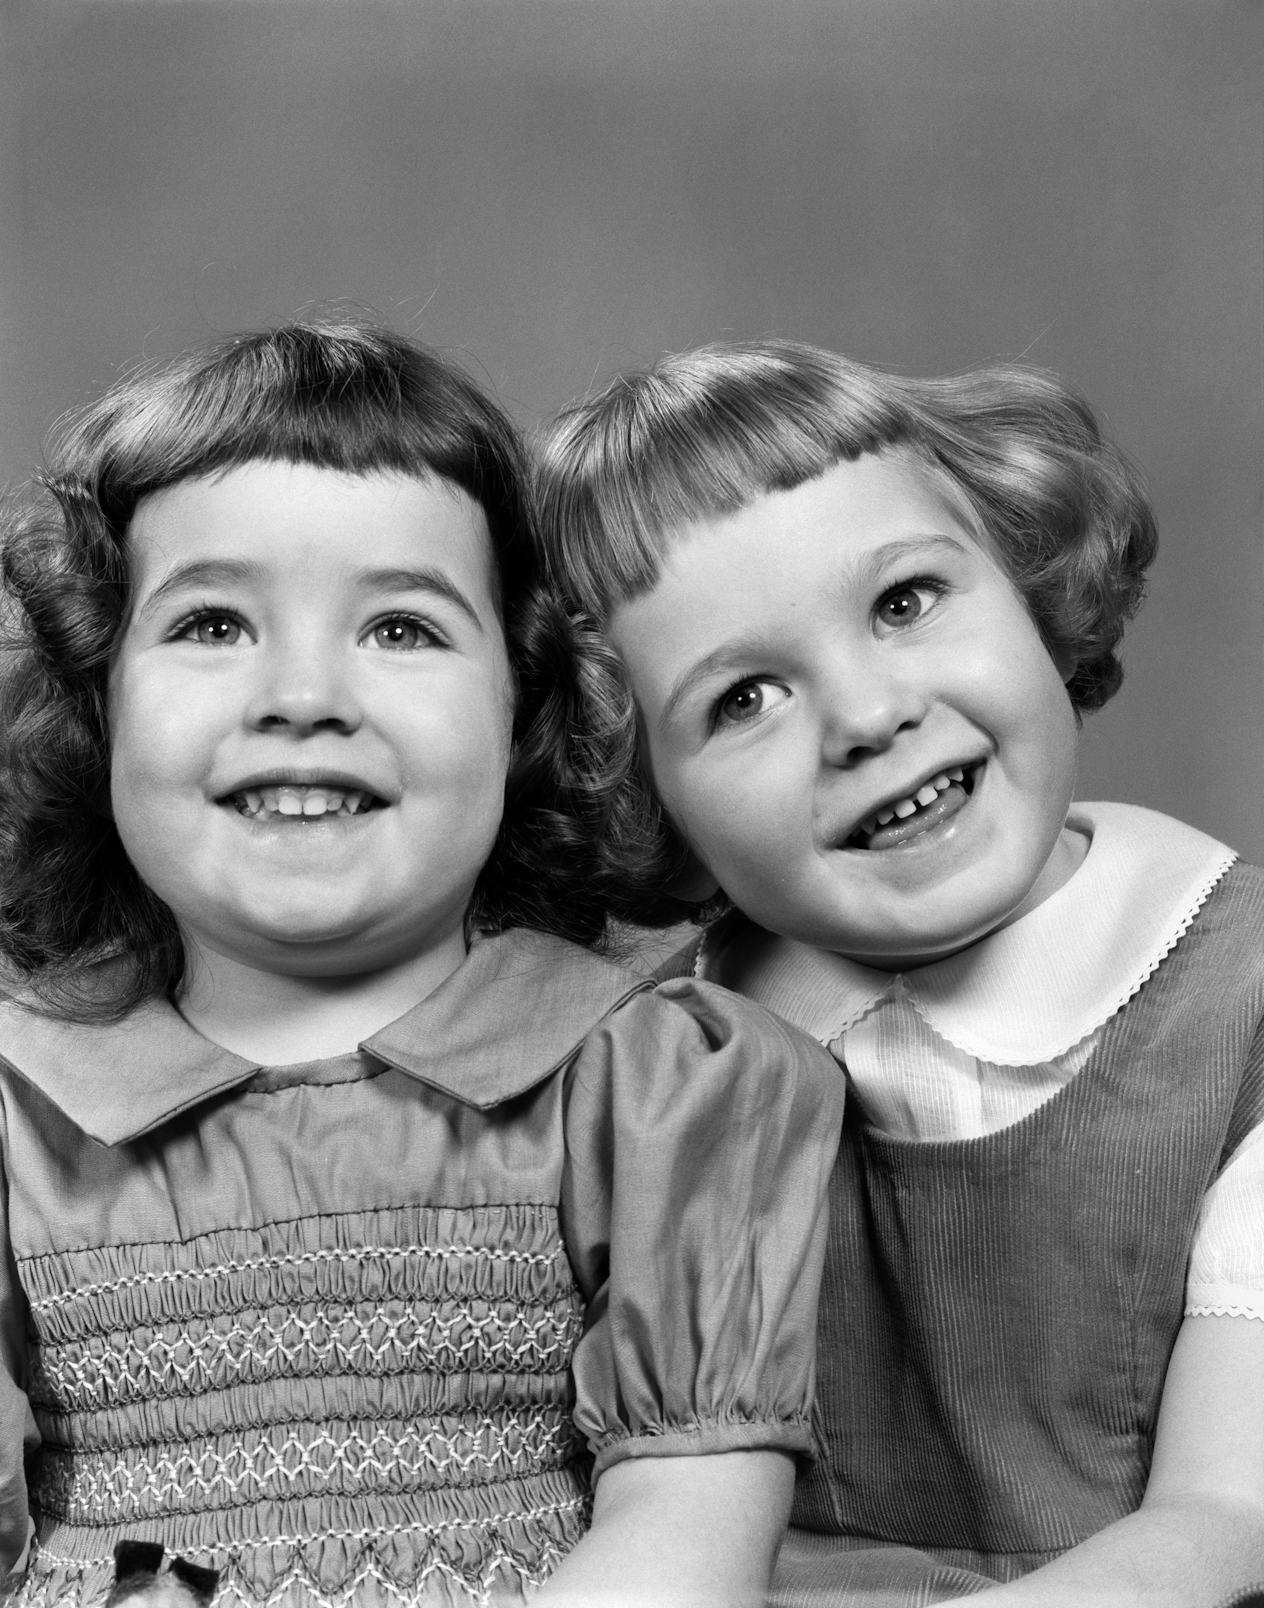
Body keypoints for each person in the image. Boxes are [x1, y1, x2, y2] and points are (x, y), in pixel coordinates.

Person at [0, 321, 842, 1608]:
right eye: (214, 622)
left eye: (400, 629)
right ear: (99, 697)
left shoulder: (647, 1083)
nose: (302, 693)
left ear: (528, 702)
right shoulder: (26, 1107)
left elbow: (690, 1526)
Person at [534, 339, 1264, 1606]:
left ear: (1027, 584)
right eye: (745, 696)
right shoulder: (653, 1060)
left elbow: (1220, 1520)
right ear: (640, 797)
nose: (868, 716)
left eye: (905, 601)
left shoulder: (1234, 1007)